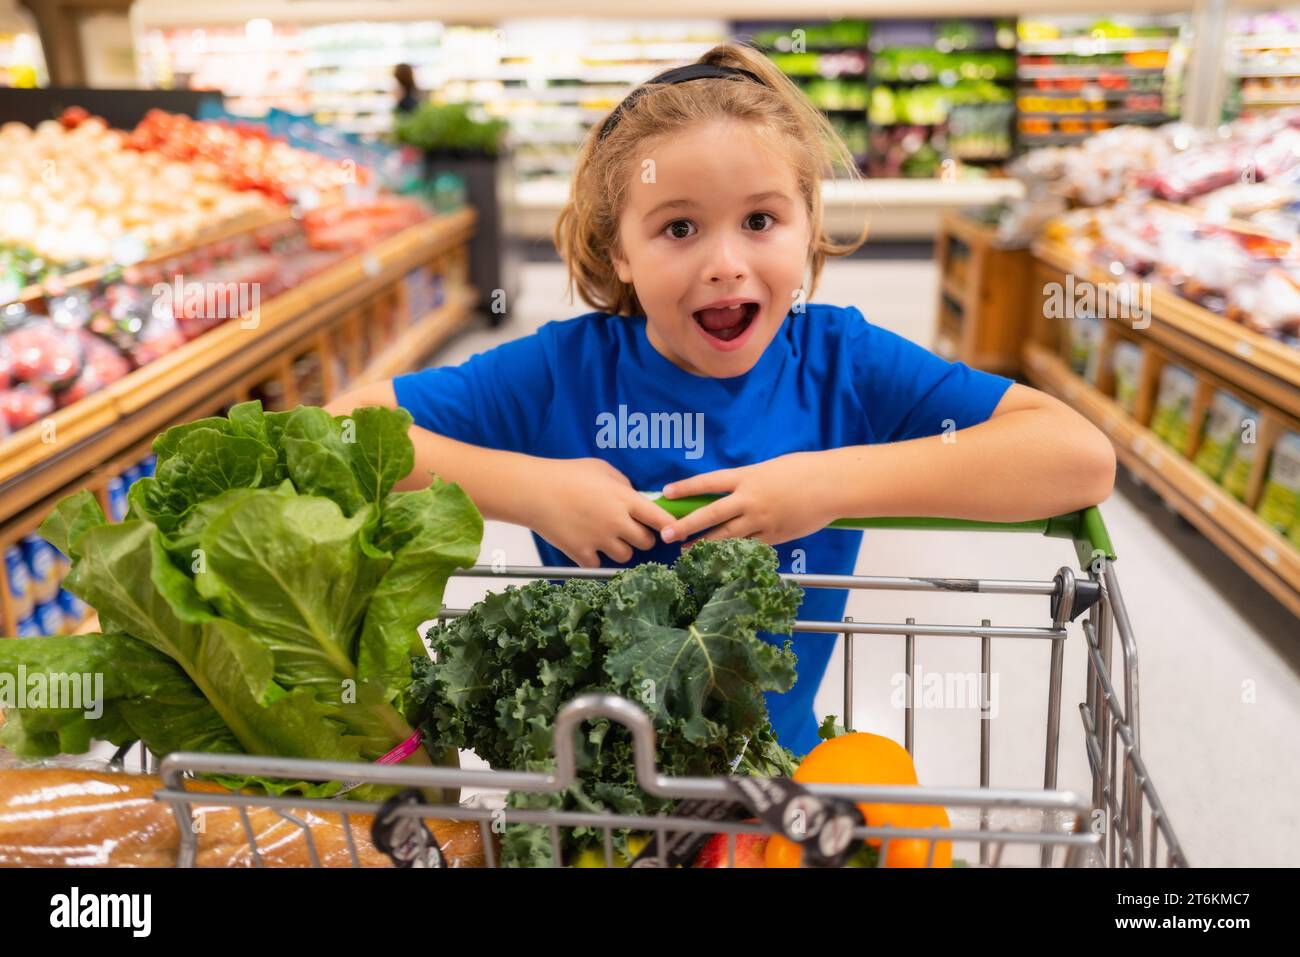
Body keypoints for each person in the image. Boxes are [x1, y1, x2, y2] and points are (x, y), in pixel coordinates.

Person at [327, 40, 1116, 758]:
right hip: (592, 779)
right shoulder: (560, 372)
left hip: (780, 773)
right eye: (679, 229)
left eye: (761, 219)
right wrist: (531, 490)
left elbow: (1075, 458)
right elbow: (337, 433)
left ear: (808, 227)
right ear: (619, 252)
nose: (726, 263)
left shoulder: (842, 361)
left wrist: (830, 483)